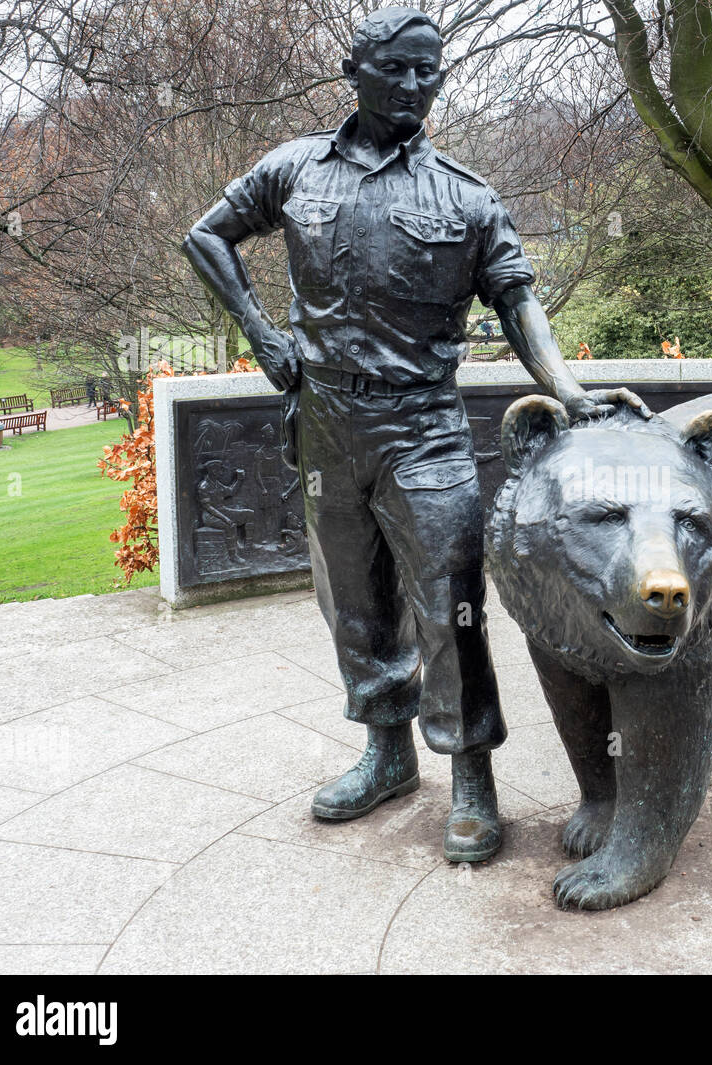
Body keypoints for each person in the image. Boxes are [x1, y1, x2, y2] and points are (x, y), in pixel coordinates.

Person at [181, 6, 650, 863]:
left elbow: (517, 300)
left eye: (427, 72)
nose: (413, 86)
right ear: (354, 73)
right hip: (326, 423)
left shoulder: (467, 196)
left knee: (449, 605)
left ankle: (471, 780)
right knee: (352, 602)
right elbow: (206, 235)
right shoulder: (294, 169)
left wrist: (568, 389)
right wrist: (260, 331)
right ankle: (388, 754)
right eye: (395, 69)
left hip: (423, 425)